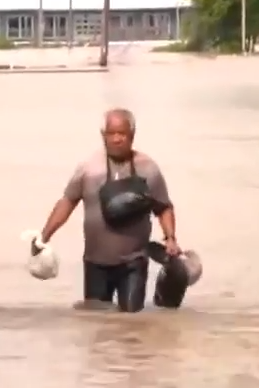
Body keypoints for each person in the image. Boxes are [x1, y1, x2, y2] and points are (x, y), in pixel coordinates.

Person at [31, 108, 181, 313]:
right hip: (96, 263)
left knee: (131, 323)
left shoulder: (148, 168)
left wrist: (170, 238)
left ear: (132, 135)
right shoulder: (89, 168)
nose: (117, 139)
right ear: (103, 136)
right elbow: (67, 202)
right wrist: (44, 237)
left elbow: (164, 207)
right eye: (112, 134)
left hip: (133, 262)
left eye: (123, 134)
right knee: (97, 326)